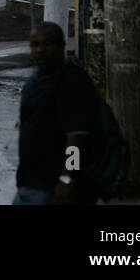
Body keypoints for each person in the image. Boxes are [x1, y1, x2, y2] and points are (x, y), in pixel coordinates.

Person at [15, 22, 101, 205]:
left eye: (47, 44)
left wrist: (67, 179)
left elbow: (77, 137)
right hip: (29, 186)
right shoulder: (33, 82)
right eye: (35, 44)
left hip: (53, 190)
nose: (40, 50)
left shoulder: (72, 81)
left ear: (62, 46)